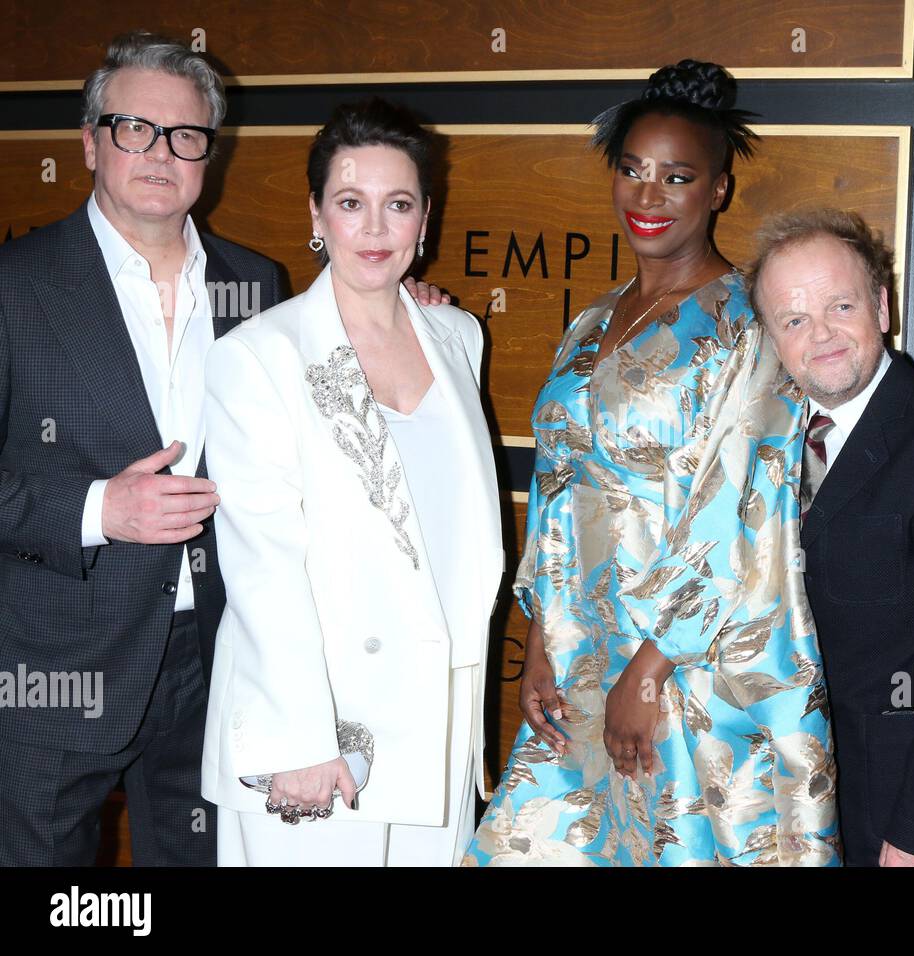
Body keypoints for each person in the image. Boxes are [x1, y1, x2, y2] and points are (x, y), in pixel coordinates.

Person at [463, 60, 838, 866]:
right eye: (632, 171)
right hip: (583, 655)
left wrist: (647, 672)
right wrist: (541, 641)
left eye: (677, 177)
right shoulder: (593, 320)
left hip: (684, 669)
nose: (648, 196)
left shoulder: (749, 325)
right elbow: (559, 490)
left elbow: (735, 509)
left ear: (718, 190)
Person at [0, 31, 282, 866]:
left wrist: (407, 310)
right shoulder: (14, 285)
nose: (161, 152)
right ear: (91, 143)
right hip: (53, 668)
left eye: (185, 136)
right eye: (134, 129)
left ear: (209, 155)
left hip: (214, 664)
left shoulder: (256, 284)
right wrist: (98, 509)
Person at [200, 97, 503, 866]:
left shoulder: (458, 335)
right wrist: (299, 737)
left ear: (424, 218)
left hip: (437, 730)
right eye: (350, 203)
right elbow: (262, 562)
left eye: (397, 205)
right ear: (316, 214)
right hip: (325, 734)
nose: (374, 229)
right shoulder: (258, 355)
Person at [749, 208, 914, 866]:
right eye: (794, 320)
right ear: (773, 338)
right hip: (779, 805)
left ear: (883, 305)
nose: (823, 335)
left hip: (891, 817)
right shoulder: (766, 444)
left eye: (841, 305)